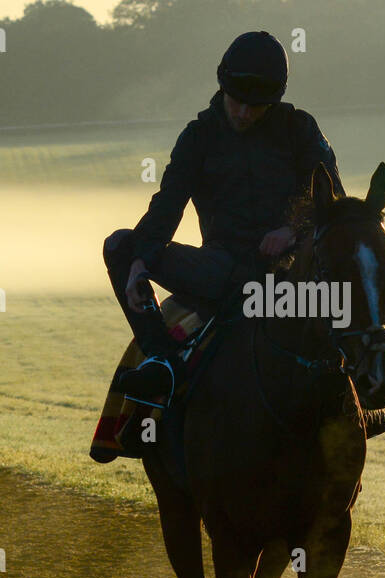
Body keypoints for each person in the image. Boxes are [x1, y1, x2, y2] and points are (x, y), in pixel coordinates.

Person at [103, 31, 343, 404]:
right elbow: (167, 205)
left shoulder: (301, 129)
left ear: (275, 99)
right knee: (120, 245)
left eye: (256, 106)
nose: (244, 113)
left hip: (290, 275)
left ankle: (362, 387)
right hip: (219, 271)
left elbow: (333, 200)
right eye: (237, 102)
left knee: (362, 270)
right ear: (222, 85)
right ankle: (162, 362)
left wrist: (291, 230)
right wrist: (140, 260)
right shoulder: (197, 136)